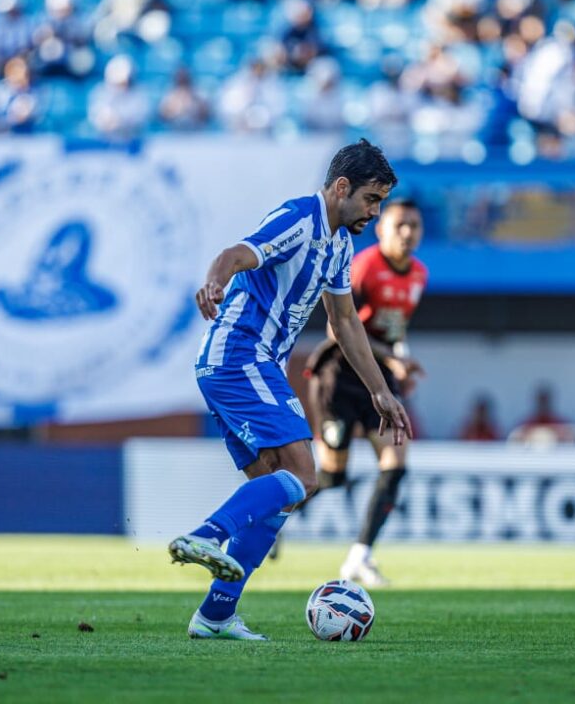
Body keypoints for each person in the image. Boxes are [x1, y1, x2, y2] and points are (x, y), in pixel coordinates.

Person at [167, 139, 411, 641]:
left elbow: (344, 322)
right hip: (240, 355)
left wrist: (380, 390)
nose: (375, 211)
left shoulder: (340, 245)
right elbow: (236, 254)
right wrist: (214, 282)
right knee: (306, 474)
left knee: (278, 496)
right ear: (341, 187)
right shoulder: (301, 218)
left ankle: (214, 616)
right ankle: (204, 535)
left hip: (242, 364)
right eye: (371, 199)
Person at [303, 198, 427, 587]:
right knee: (330, 477)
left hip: (379, 381)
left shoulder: (419, 274)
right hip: (338, 378)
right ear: (381, 229)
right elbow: (337, 329)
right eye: (400, 225)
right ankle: (270, 517)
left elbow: (395, 329)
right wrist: (393, 357)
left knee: (396, 462)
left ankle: (360, 556)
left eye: (415, 226)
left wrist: (398, 360)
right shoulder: (364, 267)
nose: (408, 233)